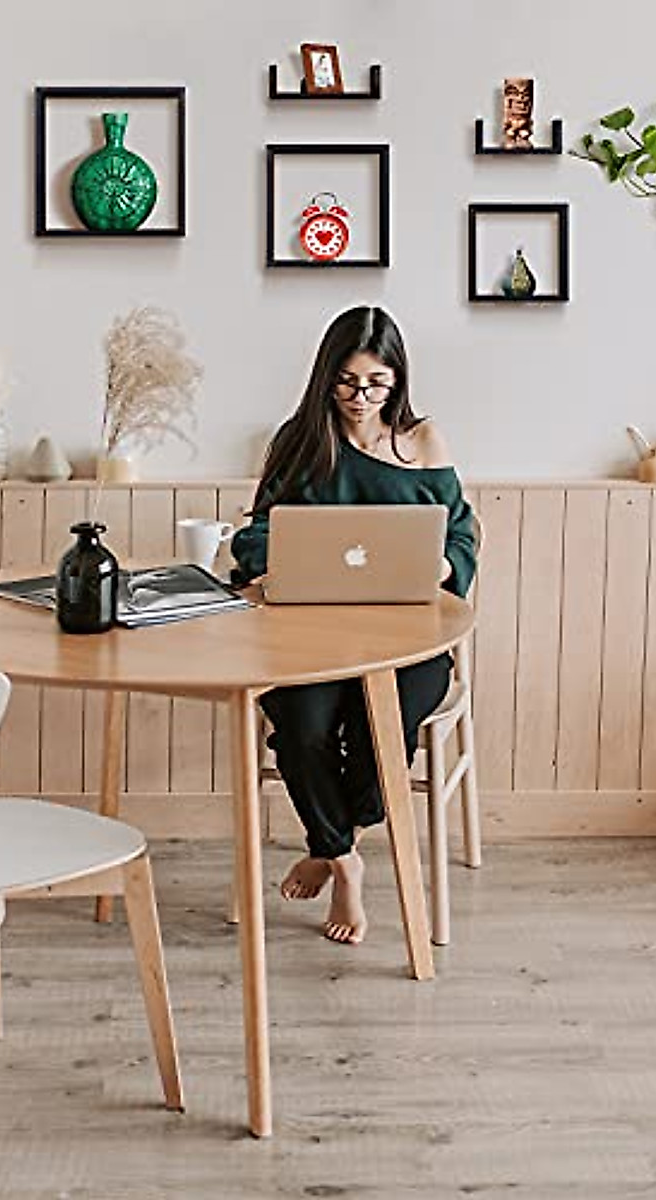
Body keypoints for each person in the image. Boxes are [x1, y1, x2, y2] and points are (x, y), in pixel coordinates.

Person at [230, 306, 478, 945]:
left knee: (382, 727)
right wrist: (271, 561)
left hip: (410, 637)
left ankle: (328, 842)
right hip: (307, 636)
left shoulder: (423, 441)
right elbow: (257, 533)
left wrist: (444, 566)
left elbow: (461, 532)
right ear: (324, 378)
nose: (360, 397)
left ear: (398, 379)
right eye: (346, 382)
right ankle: (344, 858)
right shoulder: (299, 440)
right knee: (303, 726)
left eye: (376, 383)